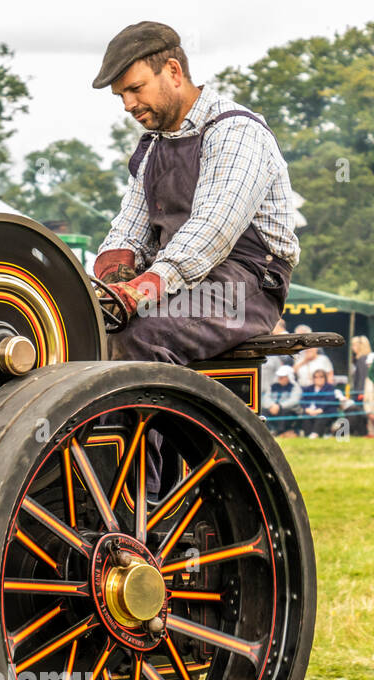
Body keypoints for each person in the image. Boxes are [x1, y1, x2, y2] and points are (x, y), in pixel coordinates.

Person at [91, 22, 299, 365]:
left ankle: (152, 420)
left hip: (244, 287)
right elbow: (127, 230)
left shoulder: (236, 131)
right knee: (87, 331)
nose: (128, 104)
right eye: (121, 96)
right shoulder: (153, 149)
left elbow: (210, 231)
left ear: (173, 72)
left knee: (140, 338)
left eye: (135, 88)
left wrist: (144, 289)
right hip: (182, 284)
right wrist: (113, 281)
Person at [298, 368, 341, 437]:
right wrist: (307, 409)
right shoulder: (308, 389)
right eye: (316, 377)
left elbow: (329, 400)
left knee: (321, 416)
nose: (319, 379)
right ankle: (308, 436)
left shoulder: (330, 388)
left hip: (325, 412)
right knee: (306, 417)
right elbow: (303, 400)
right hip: (309, 411)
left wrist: (319, 410)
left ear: (325, 378)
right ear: (313, 379)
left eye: (321, 377)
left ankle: (315, 434)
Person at [264, 365, 301, 436]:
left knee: (285, 413)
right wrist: (272, 405)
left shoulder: (294, 387)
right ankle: (267, 431)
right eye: (279, 377)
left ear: (289, 377)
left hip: (288, 410)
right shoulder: (273, 386)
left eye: (283, 377)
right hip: (273, 408)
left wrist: (279, 406)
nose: (280, 379)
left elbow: (294, 400)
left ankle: (279, 432)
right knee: (263, 412)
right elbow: (266, 398)